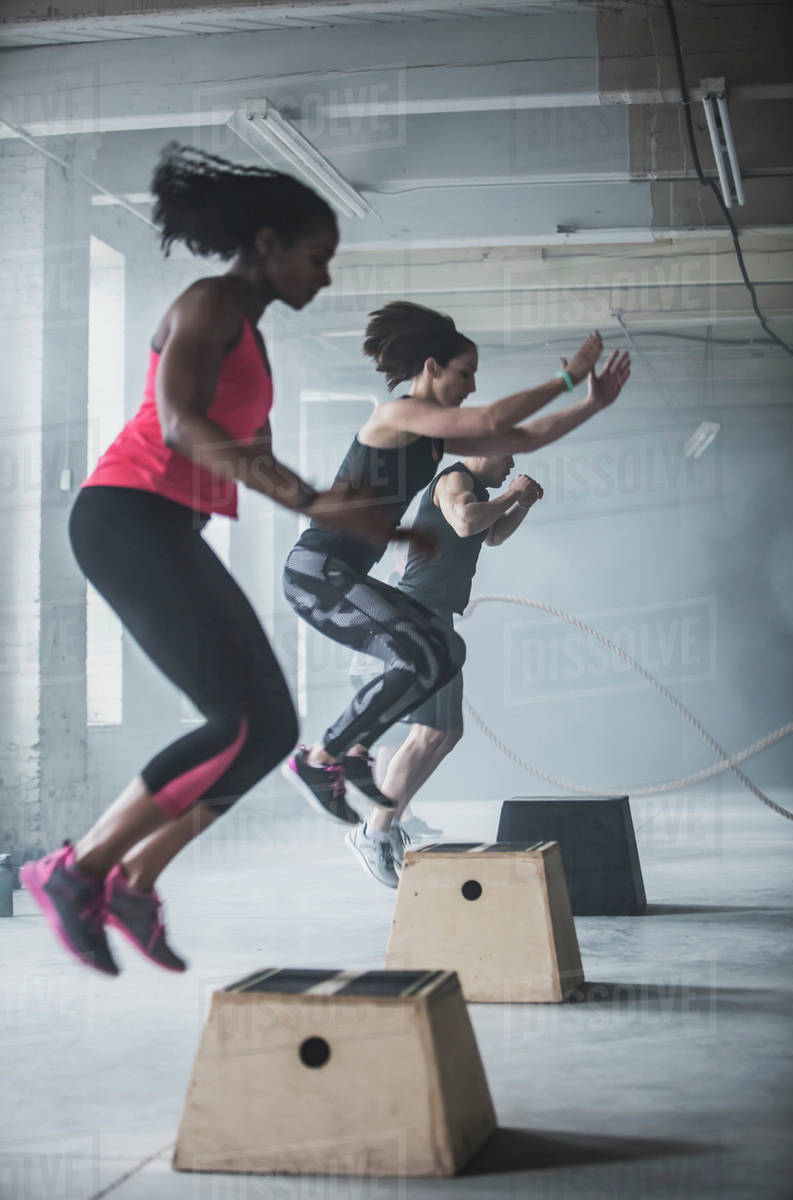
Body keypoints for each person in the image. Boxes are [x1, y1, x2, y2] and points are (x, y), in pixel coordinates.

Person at [20, 145, 412, 977]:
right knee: (234, 721)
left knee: (269, 728)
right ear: (266, 243)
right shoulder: (208, 303)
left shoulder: (255, 347)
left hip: (166, 527)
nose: (326, 278)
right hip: (125, 516)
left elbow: (258, 464)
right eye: (317, 258)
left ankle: (134, 880)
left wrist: (350, 514)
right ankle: (76, 869)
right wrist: (313, 501)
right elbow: (179, 426)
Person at [281, 300, 629, 839]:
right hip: (318, 569)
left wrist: (593, 404)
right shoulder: (395, 415)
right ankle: (324, 755)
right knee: (421, 653)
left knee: (444, 652)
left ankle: (348, 751)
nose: (470, 386)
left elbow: (524, 438)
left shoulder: (437, 439)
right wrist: (568, 376)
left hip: (346, 574)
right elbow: (493, 421)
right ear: (430, 369)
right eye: (464, 374)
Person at [346, 453, 543, 886]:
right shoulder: (454, 480)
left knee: (447, 733)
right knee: (428, 733)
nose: (510, 462)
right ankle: (374, 832)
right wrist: (513, 494)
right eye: (505, 452)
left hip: (437, 618)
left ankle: (387, 824)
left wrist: (520, 505)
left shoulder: (480, 493)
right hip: (418, 617)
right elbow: (465, 524)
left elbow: (489, 536)